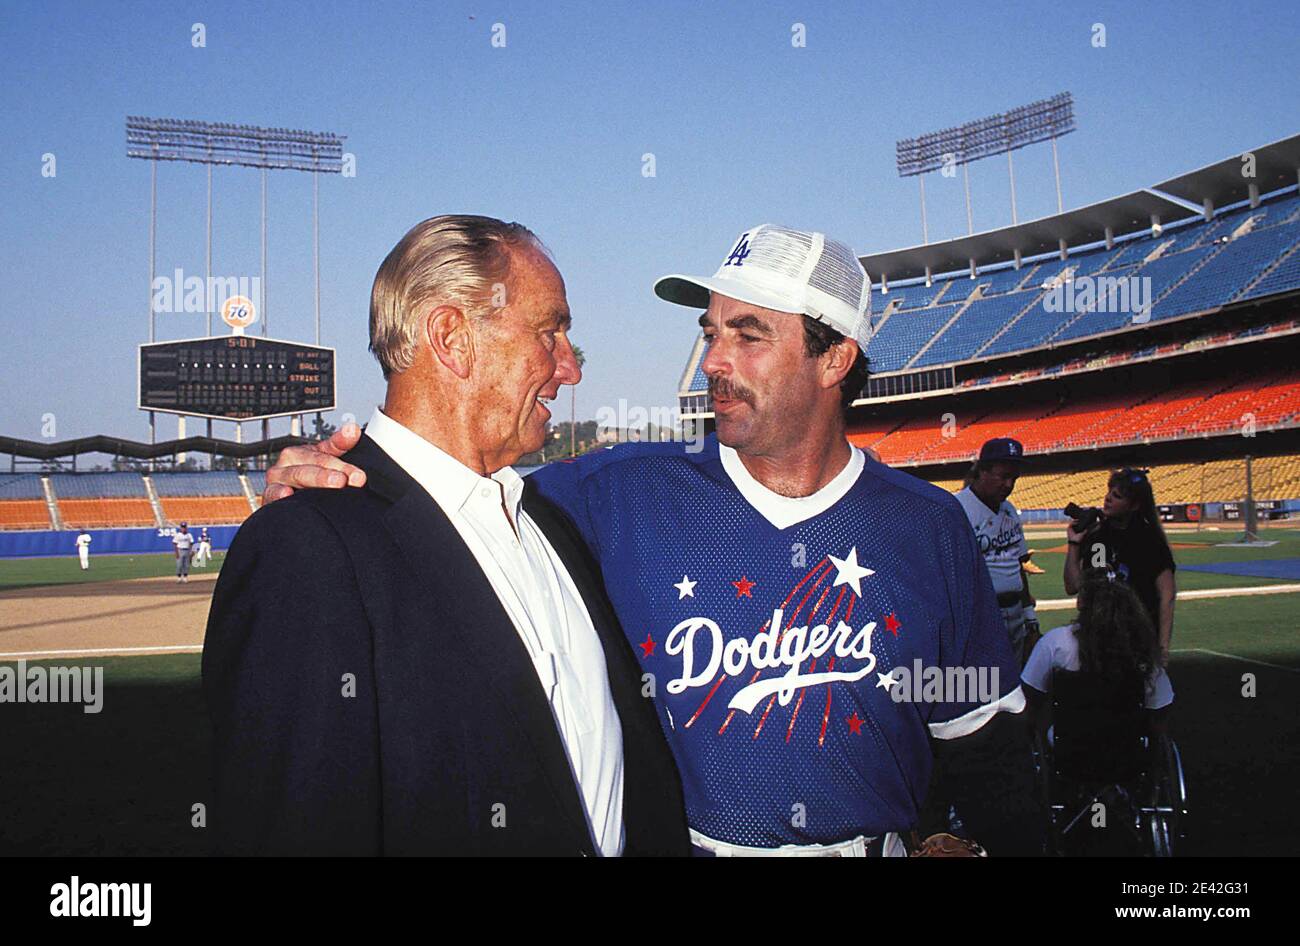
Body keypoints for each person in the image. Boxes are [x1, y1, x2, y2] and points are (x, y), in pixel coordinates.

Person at [269, 224, 1043, 857]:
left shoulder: (927, 526)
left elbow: (986, 741)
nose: (712, 360)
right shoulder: (614, 492)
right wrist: (337, 481)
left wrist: (958, 834)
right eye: (710, 332)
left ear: (834, 356)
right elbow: (444, 494)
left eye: (748, 336)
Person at [203, 215, 688, 856]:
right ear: (452, 338)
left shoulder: (551, 522)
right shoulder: (308, 545)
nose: (570, 368)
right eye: (550, 333)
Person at [1021, 568, 1174, 739]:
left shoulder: (1055, 643)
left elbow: (1027, 704)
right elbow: (1160, 713)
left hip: (1068, 755)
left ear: (1080, 603)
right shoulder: (1142, 650)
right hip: (1130, 756)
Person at [1064, 468, 1176, 664]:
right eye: (1109, 493)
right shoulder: (1096, 535)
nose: (1108, 499)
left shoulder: (1150, 541)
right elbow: (1072, 587)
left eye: (1117, 496)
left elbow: (1167, 596)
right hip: (1097, 639)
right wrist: (1074, 544)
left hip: (1137, 639)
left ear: (1134, 505)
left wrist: (1163, 648)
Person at [955, 438, 1039, 667]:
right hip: (983, 615)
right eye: (1003, 476)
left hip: (1015, 613)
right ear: (982, 471)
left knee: (1016, 683)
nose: (1009, 484)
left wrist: (1030, 617)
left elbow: (1018, 564)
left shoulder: (1009, 510)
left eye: (1014, 478)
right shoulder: (956, 509)